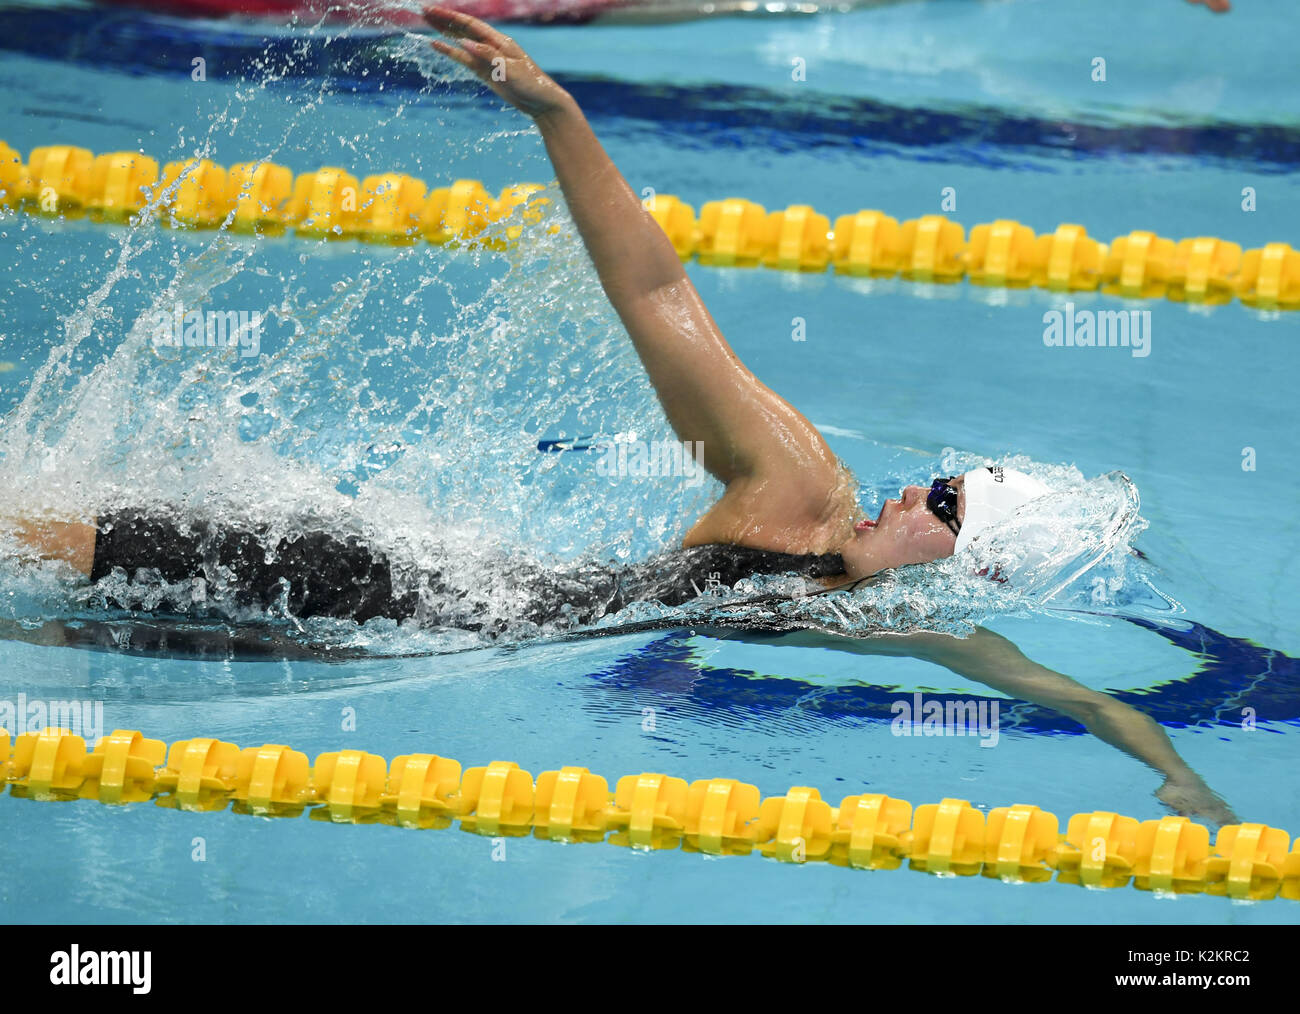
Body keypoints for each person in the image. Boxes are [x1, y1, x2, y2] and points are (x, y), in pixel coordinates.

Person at [0, 5, 1238, 826]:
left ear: (969, 568)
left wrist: (1178, 779)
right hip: (391, 589)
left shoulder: (916, 631)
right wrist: (556, 112)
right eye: (942, 479)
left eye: (947, 506)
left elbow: (1070, 695)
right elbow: (658, 289)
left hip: (400, 646)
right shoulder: (793, 489)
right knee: (43, 551)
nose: (916, 489)